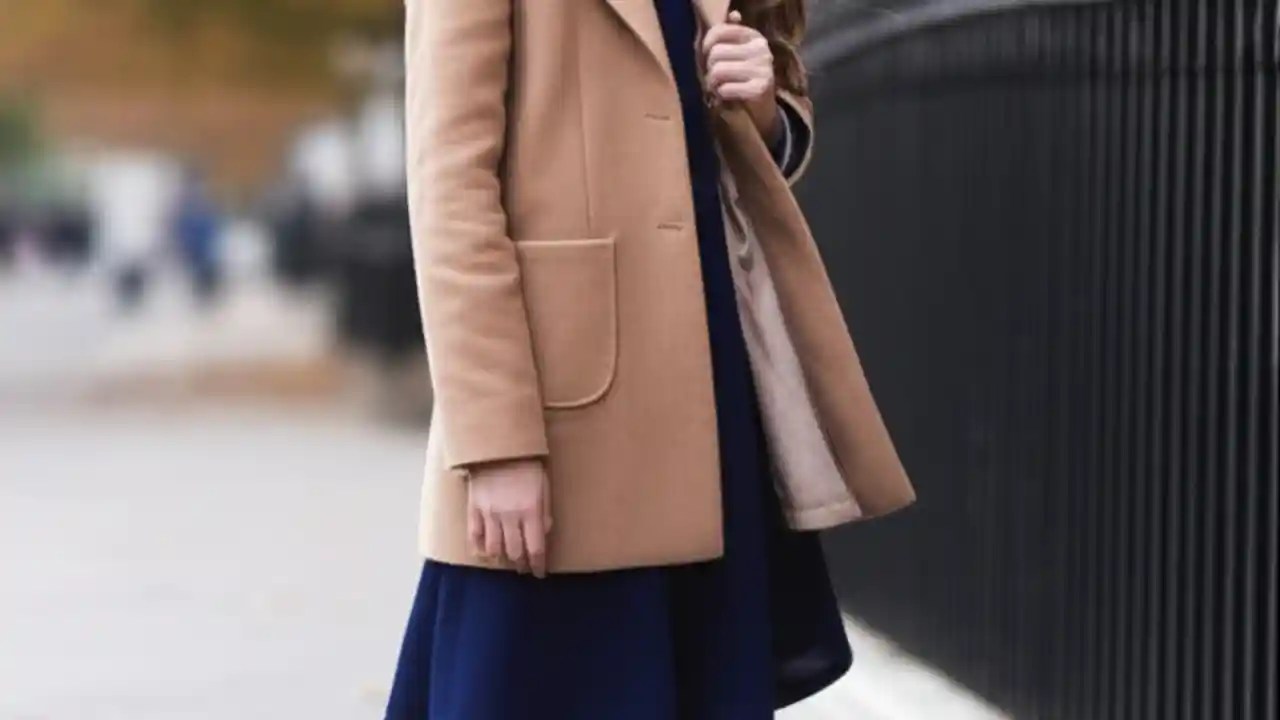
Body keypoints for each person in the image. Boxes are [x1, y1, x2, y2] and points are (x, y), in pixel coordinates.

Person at [387, 1, 917, 718]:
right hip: (565, 404)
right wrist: (495, 440)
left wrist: (761, 102)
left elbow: (760, 111)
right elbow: (450, 190)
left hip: (708, 383)